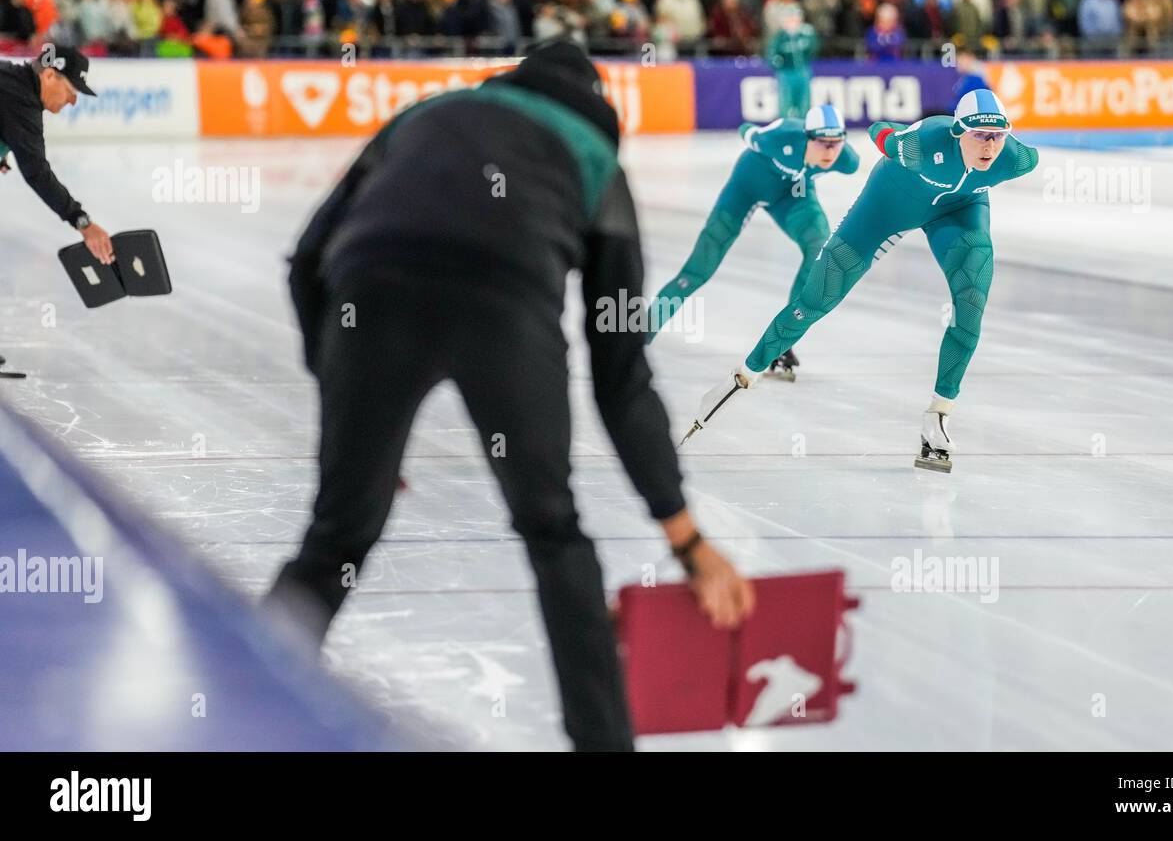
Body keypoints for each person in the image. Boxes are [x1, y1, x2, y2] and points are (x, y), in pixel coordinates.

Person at [266, 39, 754, 751]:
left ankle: (239, 696)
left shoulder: (427, 113)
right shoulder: (595, 159)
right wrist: (685, 538)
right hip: (507, 305)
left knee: (337, 534)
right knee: (554, 534)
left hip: (368, 295)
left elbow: (306, 261)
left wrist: (352, 410)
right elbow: (621, 374)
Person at [682, 89, 1040, 474]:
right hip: (887, 204)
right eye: (979, 135)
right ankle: (743, 376)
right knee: (815, 300)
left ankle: (938, 416)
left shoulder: (1018, 159)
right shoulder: (923, 144)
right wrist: (892, 141)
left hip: (960, 210)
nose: (989, 146)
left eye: (998, 135)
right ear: (958, 132)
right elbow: (879, 128)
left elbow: (1015, 153)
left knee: (972, 302)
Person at [646, 104, 859, 380]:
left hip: (793, 195)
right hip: (746, 188)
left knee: (819, 248)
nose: (830, 151)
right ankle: (640, 336)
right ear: (807, 137)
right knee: (697, 271)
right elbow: (746, 129)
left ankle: (783, 344)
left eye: (836, 143)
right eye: (823, 143)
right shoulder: (779, 137)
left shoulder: (847, 160)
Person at [0, 44, 114, 376]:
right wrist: (81, 220)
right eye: (70, 90)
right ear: (49, 75)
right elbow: (37, 173)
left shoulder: (11, 81)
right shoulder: (19, 98)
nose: (74, 100)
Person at [765, 6, 818, 118]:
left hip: (802, 71)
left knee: (804, 101)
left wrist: (811, 37)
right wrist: (777, 62)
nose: (793, 22)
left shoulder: (805, 35)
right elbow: (771, 54)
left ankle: (804, 124)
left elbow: (814, 49)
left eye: (795, 19)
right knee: (786, 101)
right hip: (786, 72)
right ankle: (786, 124)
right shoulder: (779, 37)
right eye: (790, 20)